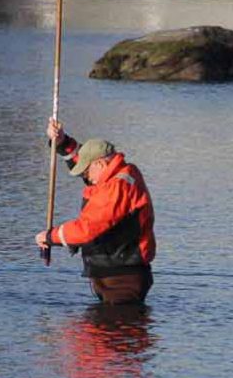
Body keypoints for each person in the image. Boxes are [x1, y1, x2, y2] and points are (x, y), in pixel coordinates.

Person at [34, 119, 156, 305]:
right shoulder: (114, 173)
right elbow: (83, 158)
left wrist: (50, 237)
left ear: (100, 164)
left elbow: (88, 228)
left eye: (86, 172)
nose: (86, 177)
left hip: (122, 279)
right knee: (102, 330)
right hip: (113, 273)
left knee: (115, 330)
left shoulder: (117, 187)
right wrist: (62, 142)